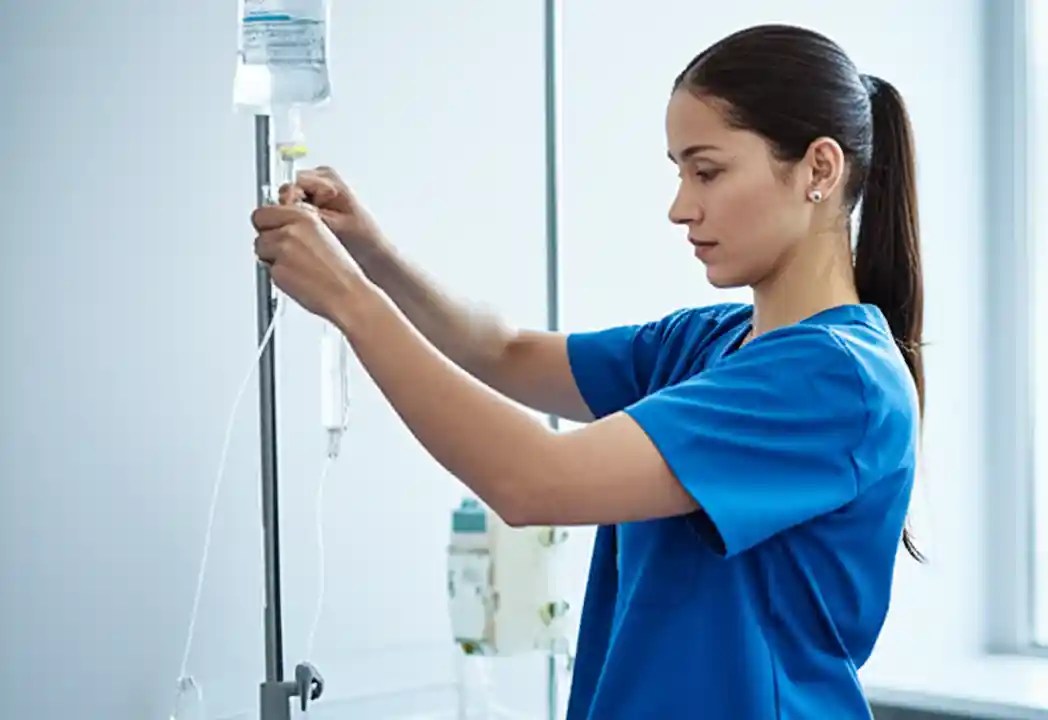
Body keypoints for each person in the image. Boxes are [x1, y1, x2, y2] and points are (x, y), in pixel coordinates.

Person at [251, 22, 923, 720]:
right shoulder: (709, 344)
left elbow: (532, 481)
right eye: (679, 171)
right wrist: (371, 253)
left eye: (708, 170)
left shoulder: (833, 380)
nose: (680, 206)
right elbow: (504, 351)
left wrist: (351, 304)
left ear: (819, 169)